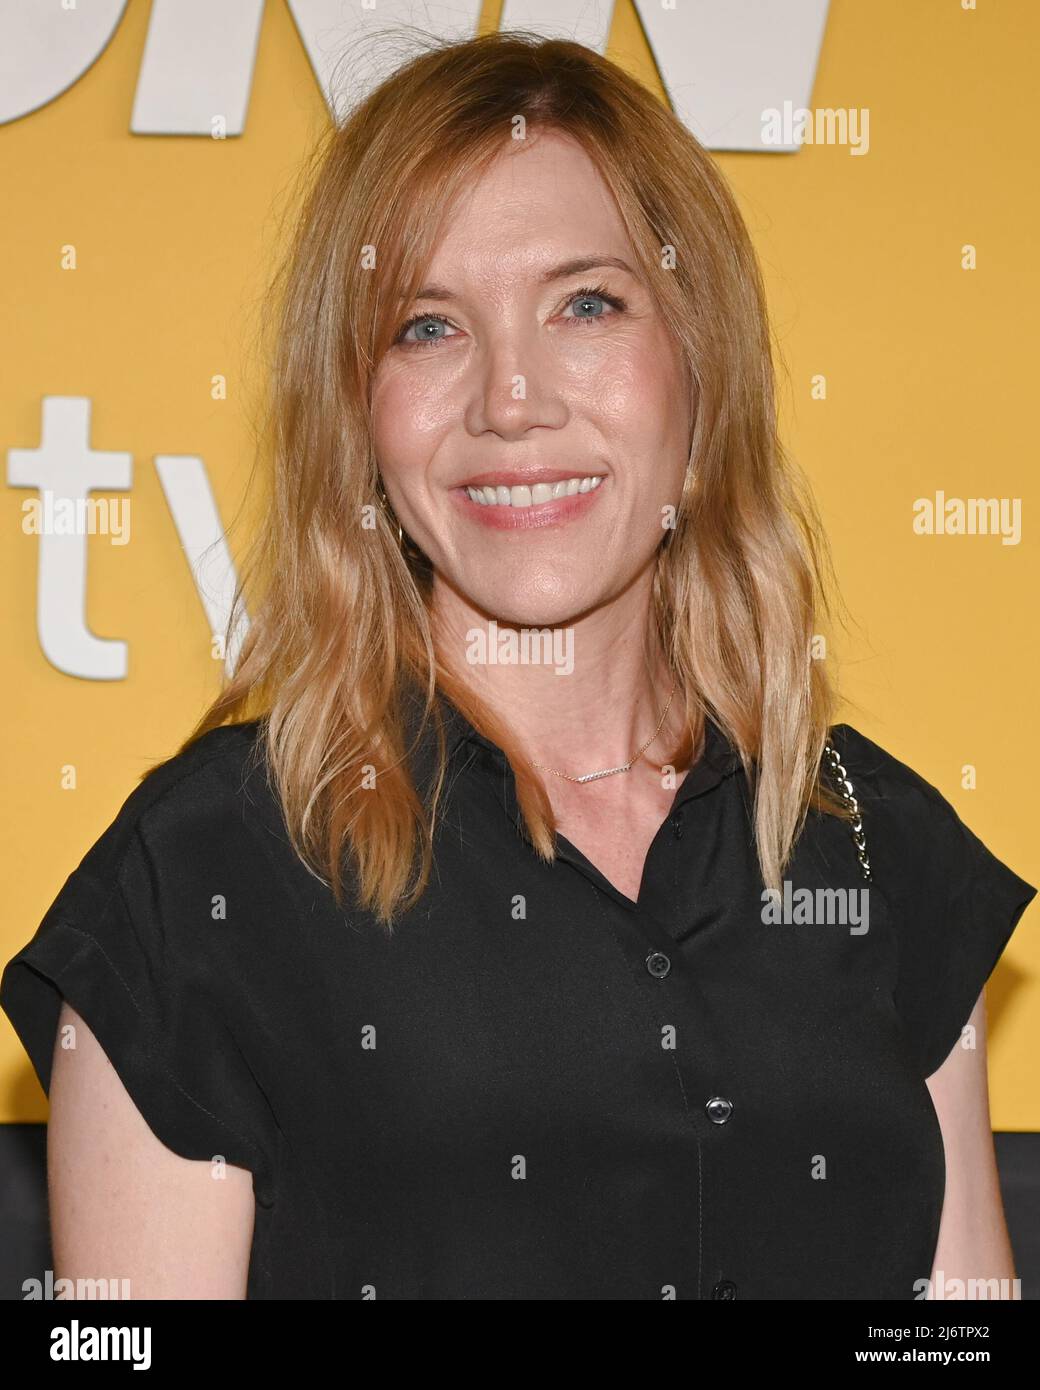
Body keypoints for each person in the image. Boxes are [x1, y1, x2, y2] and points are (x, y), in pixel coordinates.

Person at [2, 30, 1035, 1301]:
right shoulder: (200, 880)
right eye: (426, 326)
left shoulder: (874, 847)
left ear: (698, 368)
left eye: (584, 303)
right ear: (355, 416)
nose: (509, 397)